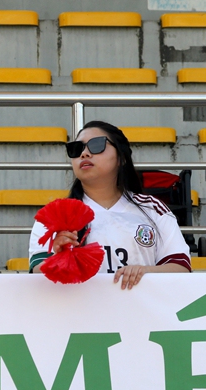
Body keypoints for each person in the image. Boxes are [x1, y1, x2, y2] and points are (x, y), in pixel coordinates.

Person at [29, 120, 191, 287]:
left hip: (140, 310)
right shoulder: (56, 214)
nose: (84, 154)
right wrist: (60, 257)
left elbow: (181, 267)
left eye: (97, 145)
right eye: (76, 148)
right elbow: (38, 273)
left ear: (121, 157)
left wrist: (144, 271)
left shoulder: (152, 209)